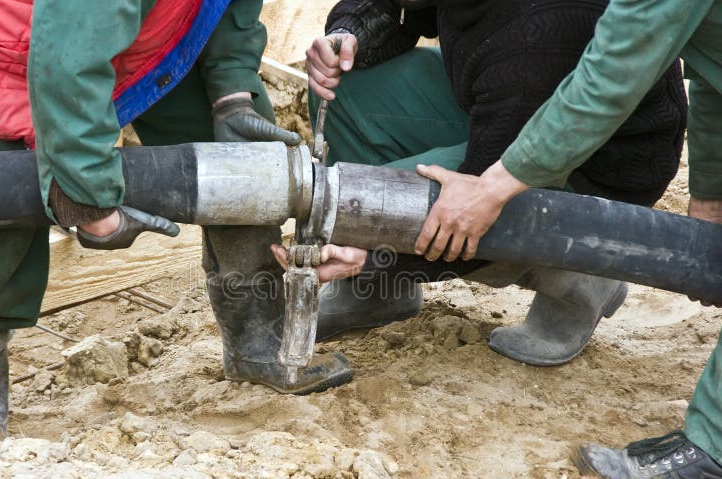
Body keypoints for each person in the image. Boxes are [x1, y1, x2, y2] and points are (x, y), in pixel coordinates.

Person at [0, 0, 352, 454]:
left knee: (243, 158)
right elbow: (68, 58)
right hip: (6, 41)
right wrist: (85, 197)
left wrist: (231, 87)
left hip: (142, 25)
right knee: (2, 204)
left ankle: (258, 340)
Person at [362, 0, 722, 479]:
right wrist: (711, 193)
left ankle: (714, 456)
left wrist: (489, 191)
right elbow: (713, 71)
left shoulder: (541, 33)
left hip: (613, 148)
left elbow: (609, 77)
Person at [289, 0, 687, 367]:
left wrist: (373, 255)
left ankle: (582, 278)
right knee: (346, 86)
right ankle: (380, 291)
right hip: (508, 103)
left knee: (399, 204)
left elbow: (477, 207)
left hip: (599, 162)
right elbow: (404, 7)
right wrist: (349, 32)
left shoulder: (531, 38)